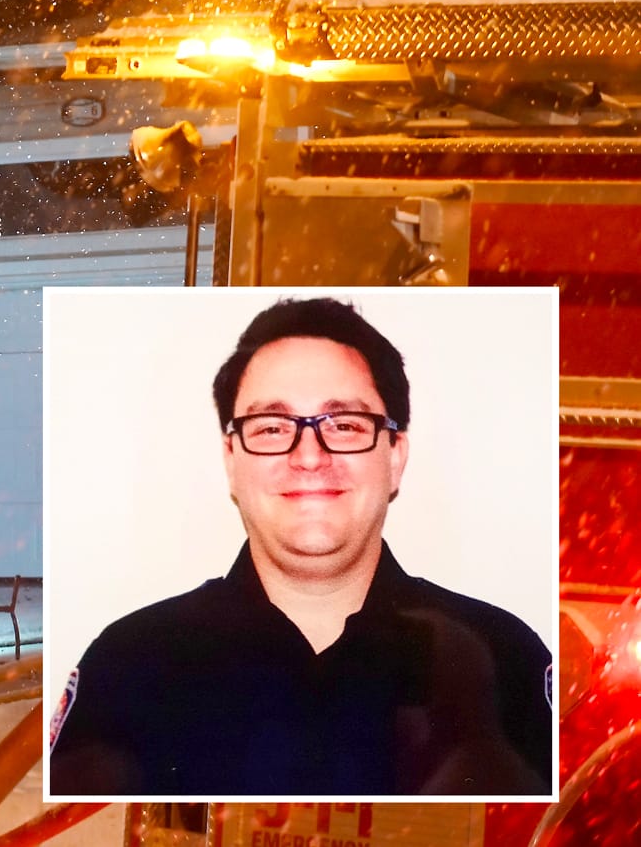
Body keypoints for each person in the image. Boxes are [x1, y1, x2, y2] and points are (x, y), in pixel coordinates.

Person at [48, 297, 552, 798]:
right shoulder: (126, 668)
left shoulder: (505, 664)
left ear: (395, 455)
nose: (309, 455)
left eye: (345, 426)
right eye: (272, 428)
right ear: (231, 459)